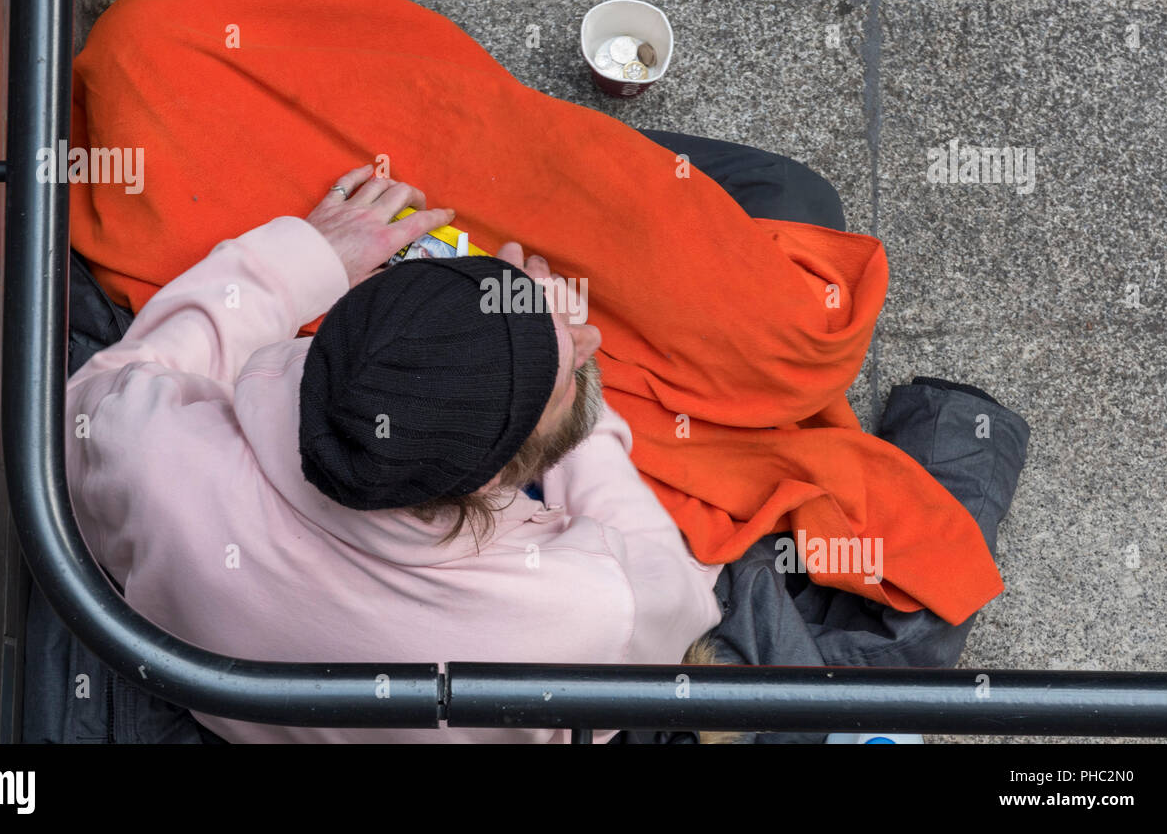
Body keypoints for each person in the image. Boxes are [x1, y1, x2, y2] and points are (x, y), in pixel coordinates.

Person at [56, 161, 723, 744]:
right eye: (570, 368)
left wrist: (303, 260)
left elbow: (94, 396)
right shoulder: (594, 605)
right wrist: (588, 424)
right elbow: (682, 603)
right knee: (793, 196)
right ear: (503, 472)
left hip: (206, 699)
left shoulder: (143, 444)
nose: (587, 340)